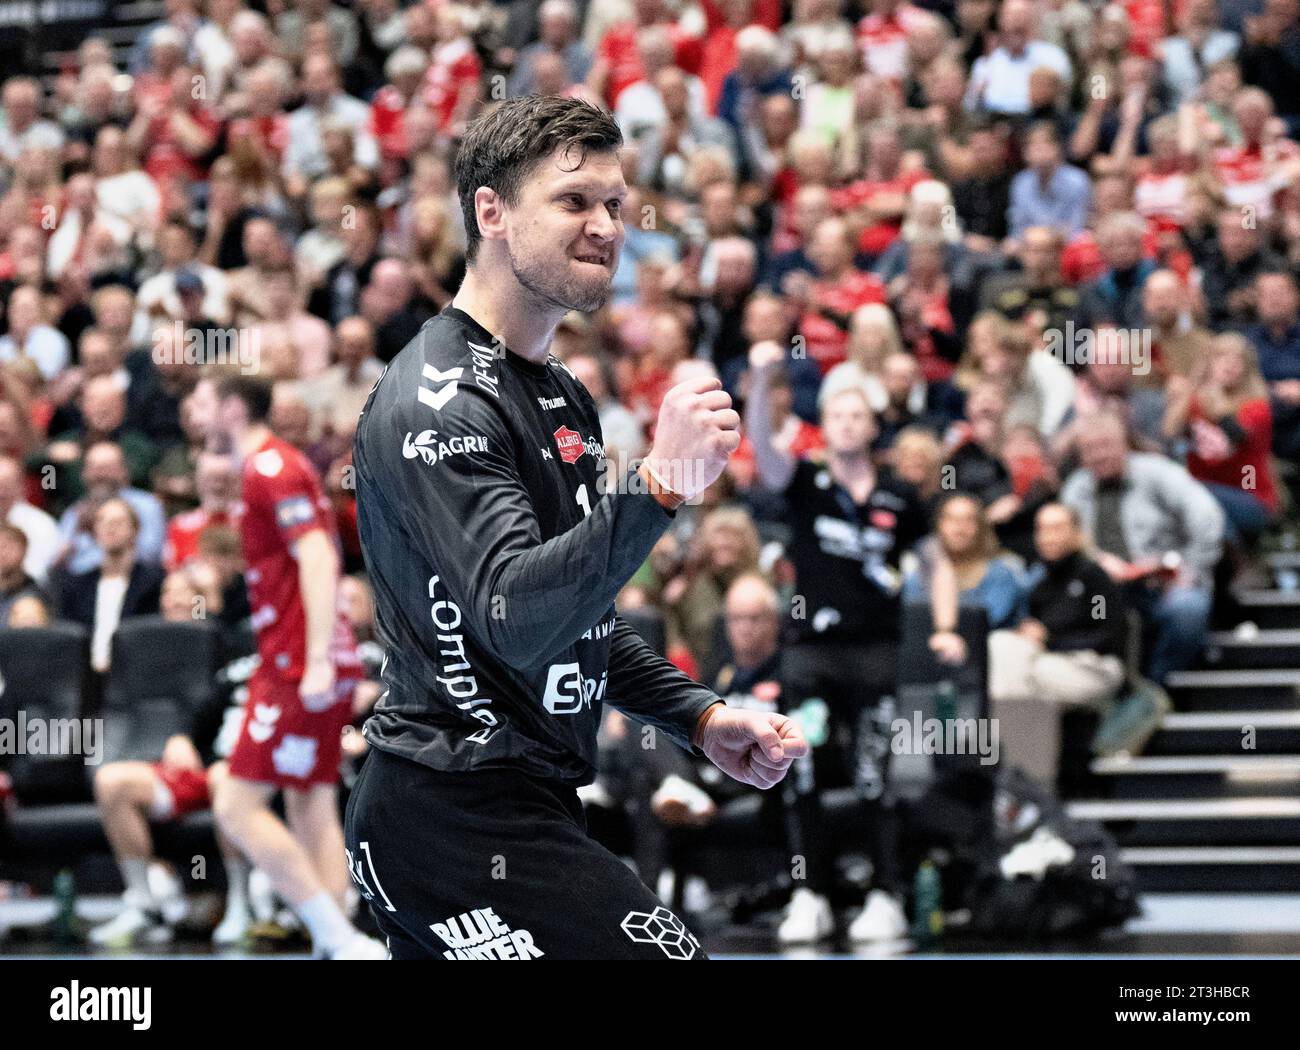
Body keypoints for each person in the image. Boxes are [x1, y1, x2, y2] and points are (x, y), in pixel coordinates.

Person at [345, 96, 806, 961]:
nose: (604, 226)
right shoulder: (435, 401)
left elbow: (577, 619)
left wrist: (698, 719)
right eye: (573, 201)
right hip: (452, 813)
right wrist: (659, 486)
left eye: (615, 205)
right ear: (491, 212)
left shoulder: (560, 395)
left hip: (513, 804)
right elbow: (517, 616)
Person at [746, 340, 928, 946]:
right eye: (836, 415)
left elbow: (935, 562)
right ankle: (810, 894)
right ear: (823, 426)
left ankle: (884, 894)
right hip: (809, 655)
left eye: (857, 414)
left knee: (875, 777)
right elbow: (765, 450)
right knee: (802, 775)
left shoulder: (900, 496)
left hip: (875, 652)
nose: (847, 423)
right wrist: (763, 375)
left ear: (874, 426)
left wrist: (948, 624)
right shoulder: (807, 481)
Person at [208, 375, 382, 960]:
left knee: (235, 806)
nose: (194, 414)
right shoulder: (276, 466)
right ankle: (338, 937)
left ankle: (335, 933)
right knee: (310, 799)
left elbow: (315, 556)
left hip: (296, 659)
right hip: (317, 655)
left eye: (203, 404)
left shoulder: (268, 468)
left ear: (231, 410)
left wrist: (310, 663)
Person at [1060, 412, 1224, 683]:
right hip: (1106, 589)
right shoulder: (1077, 488)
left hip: (1162, 582)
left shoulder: (1158, 472)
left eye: (1106, 445)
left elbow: (1207, 517)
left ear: (1124, 443)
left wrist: (1190, 567)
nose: (1099, 455)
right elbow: (1070, 540)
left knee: (1188, 609)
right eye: (1090, 449)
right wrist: (1098, 561)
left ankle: (1158, 684)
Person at [988, 503, 1128, 787]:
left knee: (1011, 677)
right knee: (1006, 653)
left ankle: (1017, 782)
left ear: (1077, 533)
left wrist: (1050, 639)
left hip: (1094, 666)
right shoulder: (1039, 583)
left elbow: (1109, 635)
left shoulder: (1093, 578)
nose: (1048, 536)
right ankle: (1032, 782)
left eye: (1057, 528)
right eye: (1042, 529)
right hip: (1049, 667)